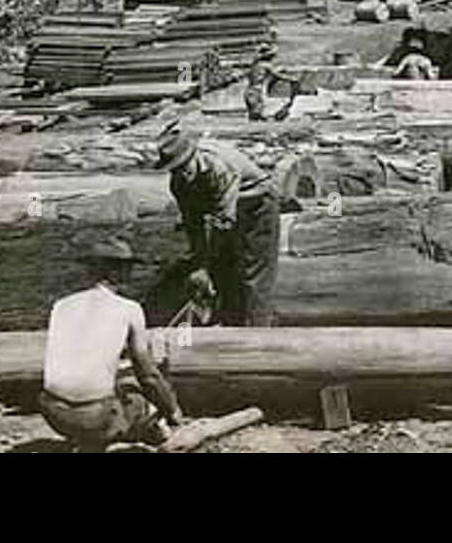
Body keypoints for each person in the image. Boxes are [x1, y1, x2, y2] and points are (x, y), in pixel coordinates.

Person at [40, 237, 184, 452]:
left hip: (52, 412)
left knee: (111, 386)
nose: (131, 273)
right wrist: (172, 409)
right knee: (140, 398)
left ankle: (87, 439)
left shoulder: (61, 305)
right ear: (117, 272)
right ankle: (150, 433)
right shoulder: (129, 309)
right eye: (127, 268)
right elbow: (149, 376)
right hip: (95, 416)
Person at [155, 122, 280, 327]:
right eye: (175, 169)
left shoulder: (219, 168)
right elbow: (193, 224)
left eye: (184, 166)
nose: (182, 173)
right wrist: (199, 261)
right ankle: (228, 326)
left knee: (254, 276)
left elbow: (223, 221)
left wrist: (204, 265)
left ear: (194, 155)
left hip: (258, 203)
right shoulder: (178, 183)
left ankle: (258, 334)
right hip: (225, 208)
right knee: (224, 270)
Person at [243, 42, 299, 121]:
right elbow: (277, 75)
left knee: (254, 116)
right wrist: (291, 79)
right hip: (256, 92)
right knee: (257, 114)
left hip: (249, 91)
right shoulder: (266, 65)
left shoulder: (255, 65)